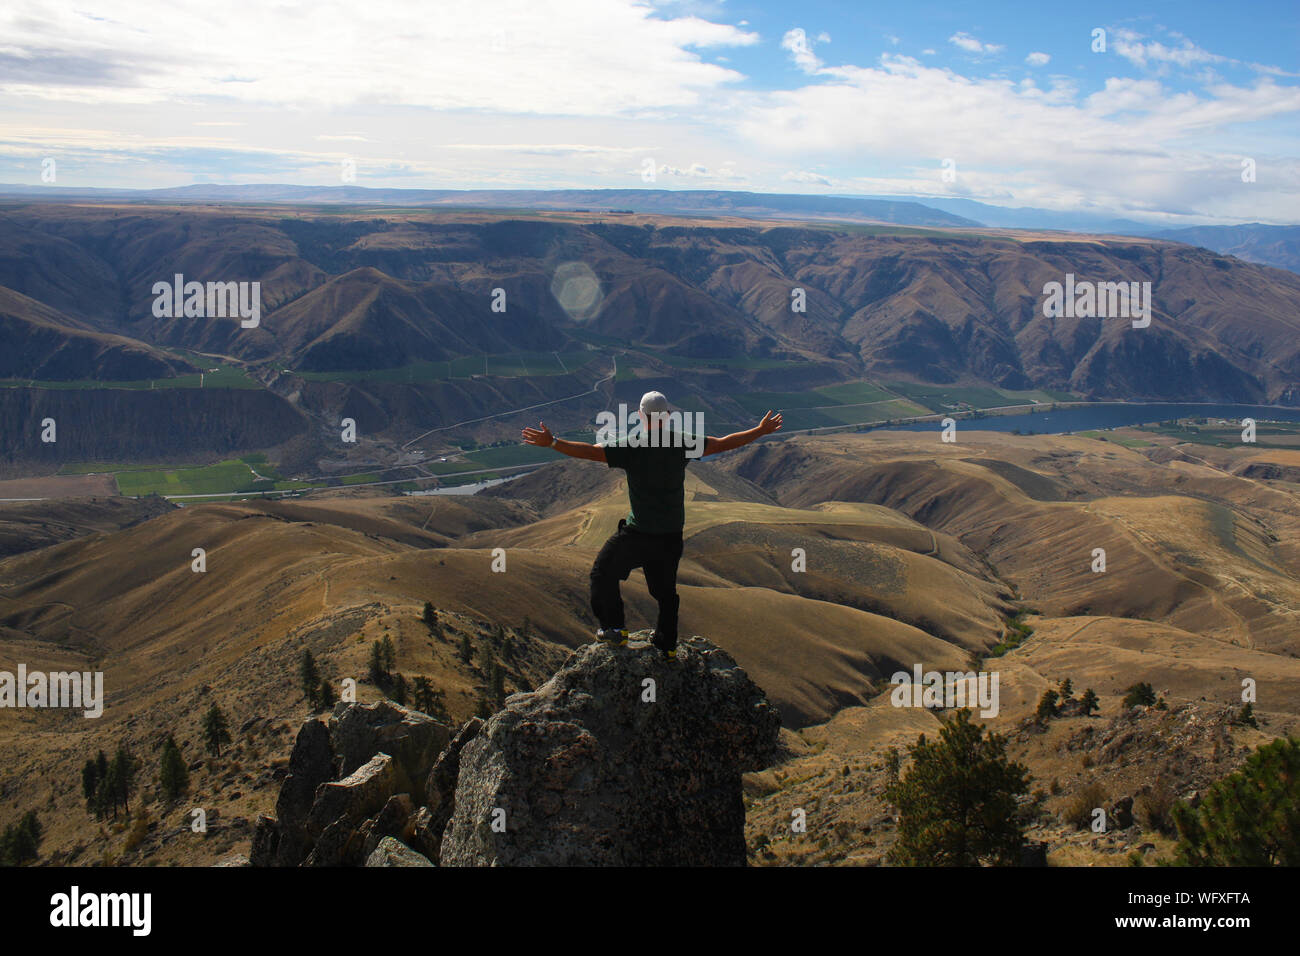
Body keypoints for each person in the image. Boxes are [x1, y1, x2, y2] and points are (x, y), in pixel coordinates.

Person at [521, 391, 782, 659]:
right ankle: (667, 645)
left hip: (638, 534)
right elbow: (722, 444)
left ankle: (614, 629)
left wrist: (552, 442)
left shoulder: (633, 445)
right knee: (664, 592)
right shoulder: (682, 443)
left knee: (603, 573)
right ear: (668, 416)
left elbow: (591, 452)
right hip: (670, 535)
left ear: (639, 416)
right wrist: (760, 430)